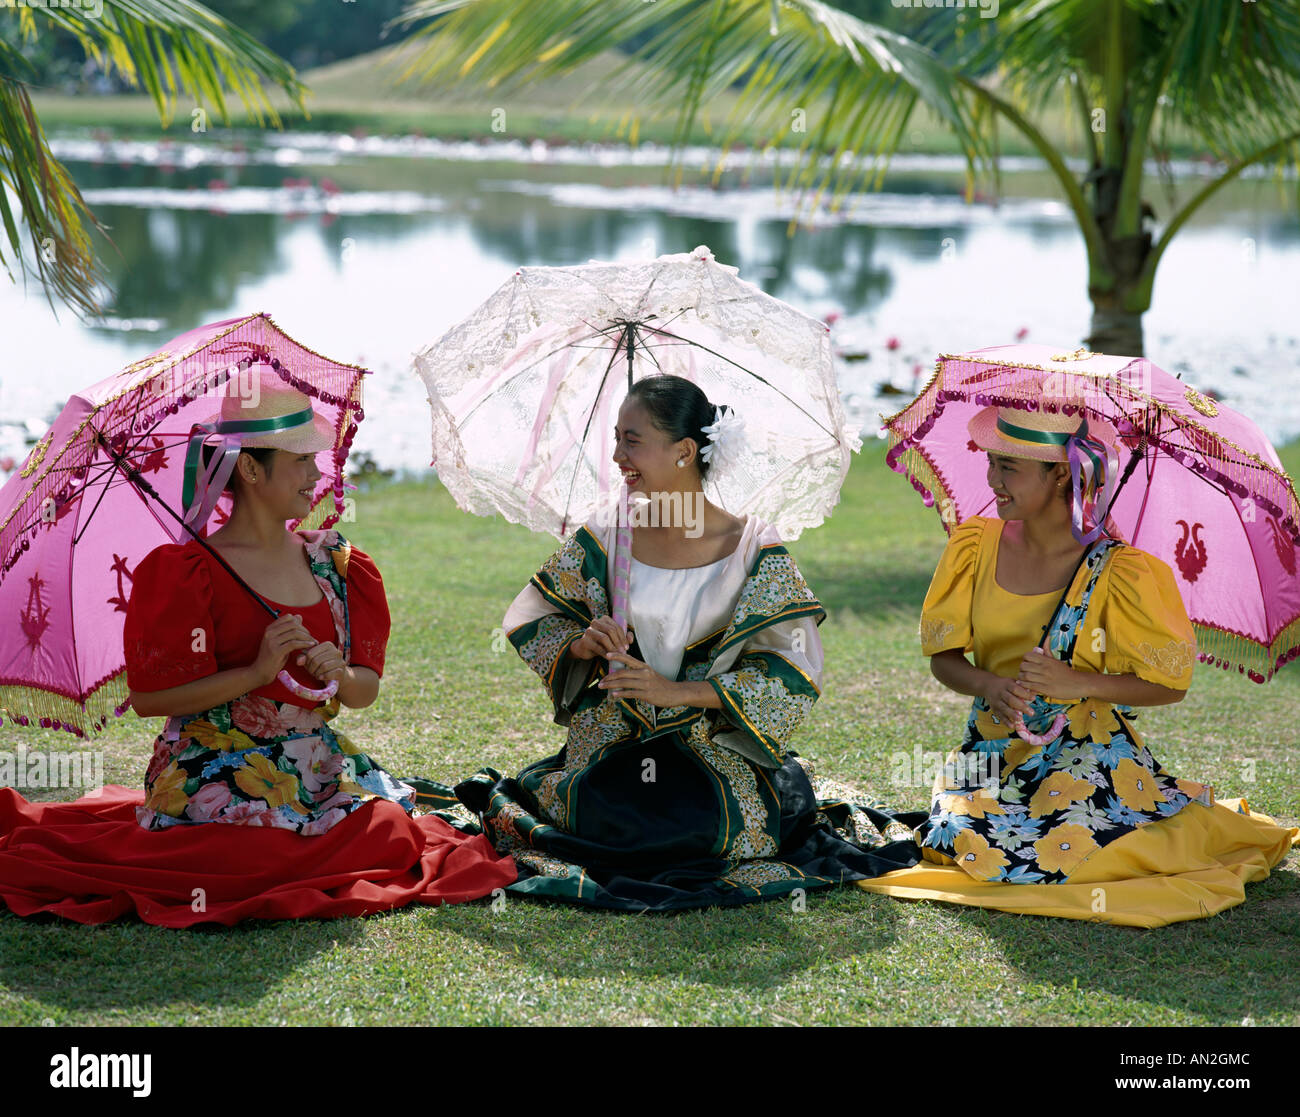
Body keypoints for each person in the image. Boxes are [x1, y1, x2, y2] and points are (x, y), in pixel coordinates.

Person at [0, 378, 514, 926]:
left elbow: (363, 693)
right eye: (299, 461)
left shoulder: (336, 563)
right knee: (241, 852)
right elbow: (152, 699)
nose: (316, 474)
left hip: (312, 757)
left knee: (388, 831)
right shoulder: (186, 572)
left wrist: (338, 671)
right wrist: (257, 671)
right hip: (212, 760)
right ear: (249, 469)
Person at [418, 374, 922, 911]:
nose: (615, 455)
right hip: (616, 735)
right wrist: (585, 645)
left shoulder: (751, 547)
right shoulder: (609, 533)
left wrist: (677, 692)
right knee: (610, 818)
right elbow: (538, 617)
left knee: (697, 822)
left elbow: (789, 670)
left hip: (710, 740)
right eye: (615, 438)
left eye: (631, 440)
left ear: (684, 451)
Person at [856, 404, 1299, 926]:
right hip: (993, 746)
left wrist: (1078, 681)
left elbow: (1168, 687)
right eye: (992, 462)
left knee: (1081, 849)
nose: (993, 480)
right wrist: (990, 685)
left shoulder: (1121, 571)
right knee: (955, 838)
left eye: (1009, 468)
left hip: (1088, 750)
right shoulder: (974, 546)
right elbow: (945, 660)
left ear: (1060, 473)